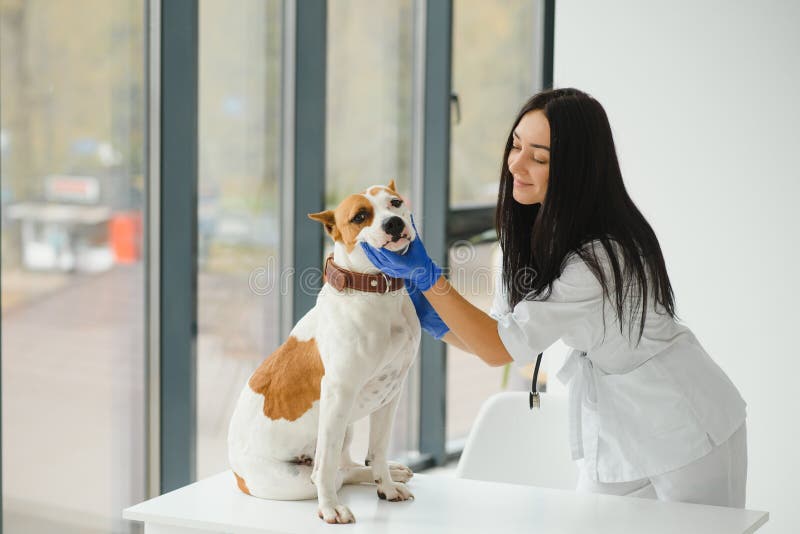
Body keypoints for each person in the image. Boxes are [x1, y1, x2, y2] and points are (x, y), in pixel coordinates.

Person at [361, 88, 747, 508]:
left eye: (539, 158)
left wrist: (428, 277)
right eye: (516, 146)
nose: (516, 165)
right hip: (617, 425)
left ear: (576, 171)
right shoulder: (525, 233)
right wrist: (431, 317)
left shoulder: (602, 256)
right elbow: (495, 335)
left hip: (685, 427)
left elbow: (496, 346)